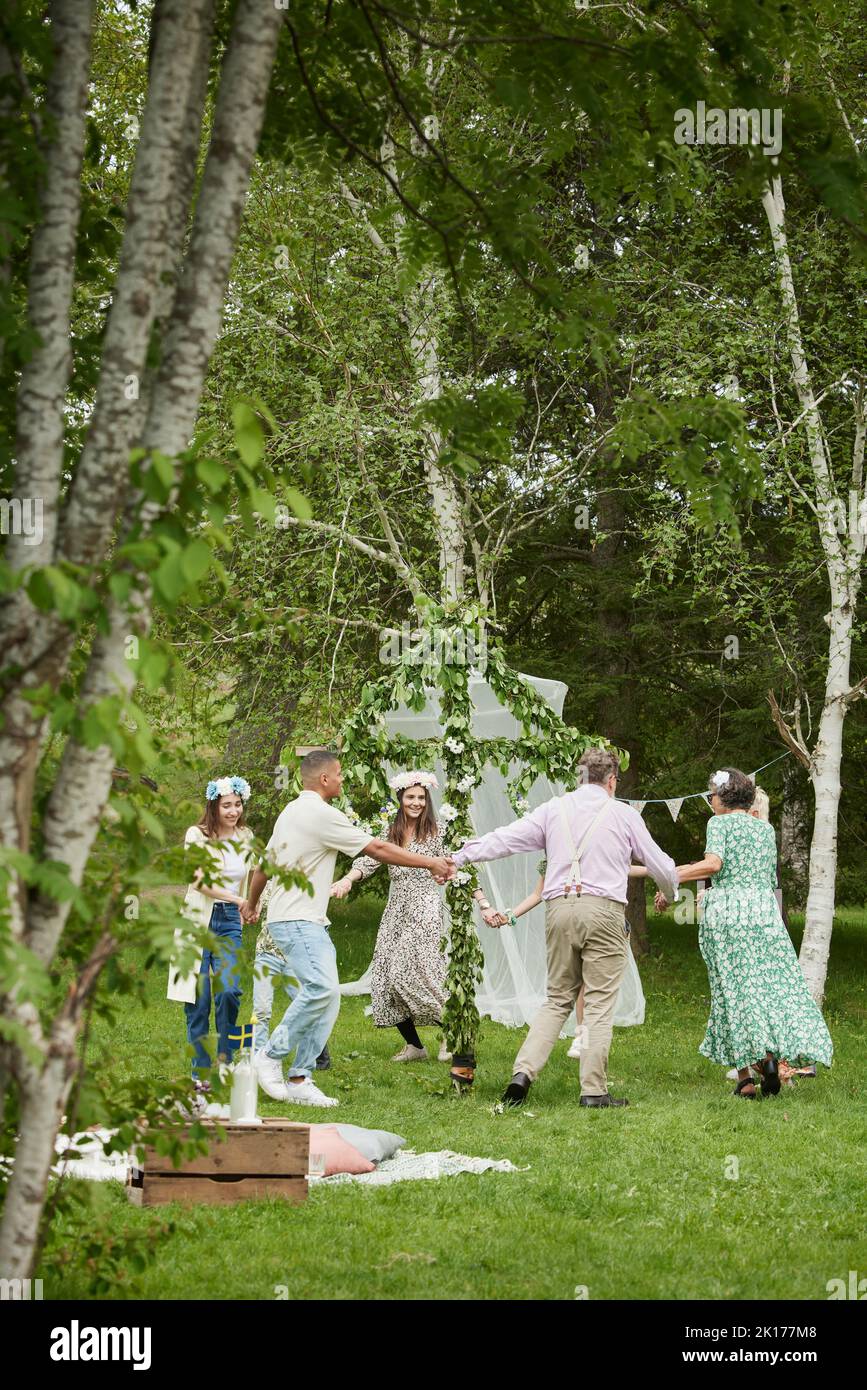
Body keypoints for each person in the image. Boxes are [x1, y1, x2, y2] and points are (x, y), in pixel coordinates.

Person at [452, 747, 679, 1108]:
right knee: (600, 1004)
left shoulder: (553, 809)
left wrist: (461, 855)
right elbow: (661, 866)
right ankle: (593, 1090)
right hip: (603, 911)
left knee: (557, 999)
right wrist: (670, 892)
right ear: (612, 780)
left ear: (580, 778)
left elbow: (505, 839)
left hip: (558, 909)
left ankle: (522, 1074)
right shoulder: (622, 813)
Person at [242, 749, 454, 1108]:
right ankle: (270, 1054)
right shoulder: (320, 814)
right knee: (321, 989)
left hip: (304, 919)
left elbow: (265, 865)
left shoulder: (290, 812)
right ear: (324, 779)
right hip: (296, 919)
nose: (342, 779)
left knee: (329, 997)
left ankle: (300, 1078)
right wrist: (430, 861)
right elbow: (377, 848)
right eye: (338, 774)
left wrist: (251, 902)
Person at [655, 767, 833, 1099]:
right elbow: (768, 880)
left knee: (731, 992)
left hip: (728, 914)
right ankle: (766, 1061)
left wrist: (673, 876)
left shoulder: (718, 824)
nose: (709, 800)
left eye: (711, 794)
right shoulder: (764, 830)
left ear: (724, 797)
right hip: (764, 912)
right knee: (763, 990)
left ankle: (746, 1080)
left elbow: (714, 865)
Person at [331, 771, 450, 1063]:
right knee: (384, 978)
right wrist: (348, 879)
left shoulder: (438, 831)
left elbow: (454, 865)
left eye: (421, 797)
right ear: (400, 799)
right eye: (411, 797)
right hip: (396, 909)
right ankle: (415, 1047)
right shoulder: (390, 831)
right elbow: (369, 860)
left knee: (410, 972)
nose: (417, 802)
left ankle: (452, 1032)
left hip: (425, 907)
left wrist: (477, 896)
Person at [476, 860, 649, 1059]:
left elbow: (622, 866)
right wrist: (510, 916)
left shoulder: (598, 846)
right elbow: (538, 893)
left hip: (600, 922)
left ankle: (581, 1037)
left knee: (589, 985)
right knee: (577, 985)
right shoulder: (553, 856)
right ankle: (581, 1037)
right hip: (570, 924)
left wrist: (655, 870)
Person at [167, 776, 256, 1094]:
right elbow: (199, 882)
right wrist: (239, 899)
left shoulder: (245, 836)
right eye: (227, 805)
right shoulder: (198, 835)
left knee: (229, 991)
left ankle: (227, 1059)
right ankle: (200, 1072)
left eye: (237, 804)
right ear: (214, 806)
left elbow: (251, 875)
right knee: (199, 999)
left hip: (230, 921)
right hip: (198, 921)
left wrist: (252, 905)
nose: (233, 811)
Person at [252, 881, 332, 1071]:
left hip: (294, 957)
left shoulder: (304, 885)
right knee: (261, 1009)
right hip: (266, 954)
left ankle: (319, 1057)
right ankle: (258, 1058)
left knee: (307, 1005)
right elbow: (254, 908)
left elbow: (320, 922)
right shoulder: (267, 885)